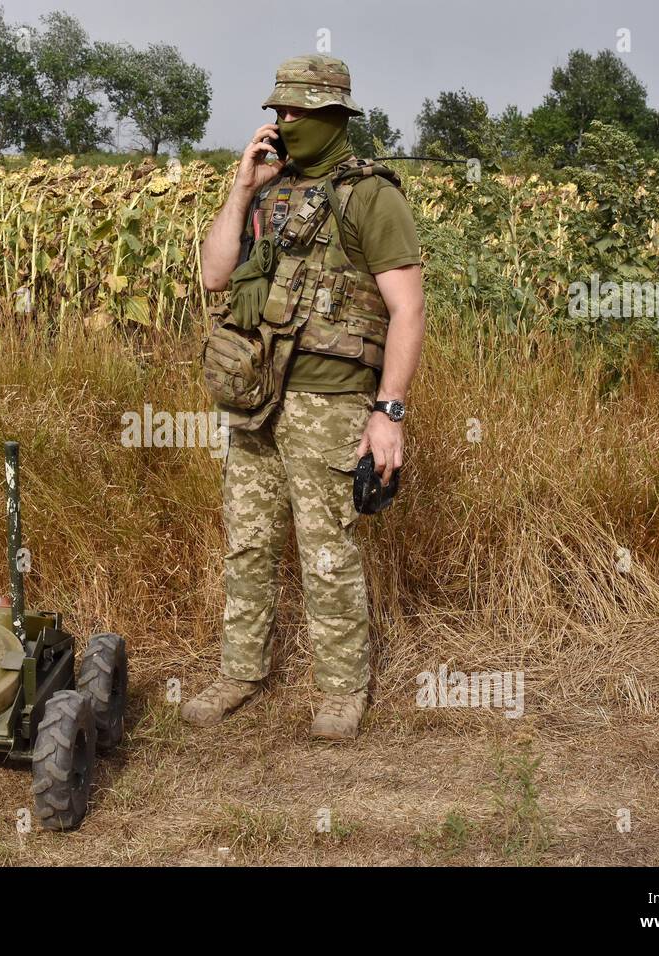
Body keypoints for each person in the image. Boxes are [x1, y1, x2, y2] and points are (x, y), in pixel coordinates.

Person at [181, 54, 425, 740]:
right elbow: (215, 273)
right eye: (276, 111)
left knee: (327, 549)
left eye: (294, 112)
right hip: (255, 398)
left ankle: (343, 690)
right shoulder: (268, 189)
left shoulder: (371, 195)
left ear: (331, 116)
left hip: (331, 400)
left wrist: (389, 413)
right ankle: (240, 672)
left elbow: (408, 310)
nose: (281, 122)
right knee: (248, 542)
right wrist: (241, 187)